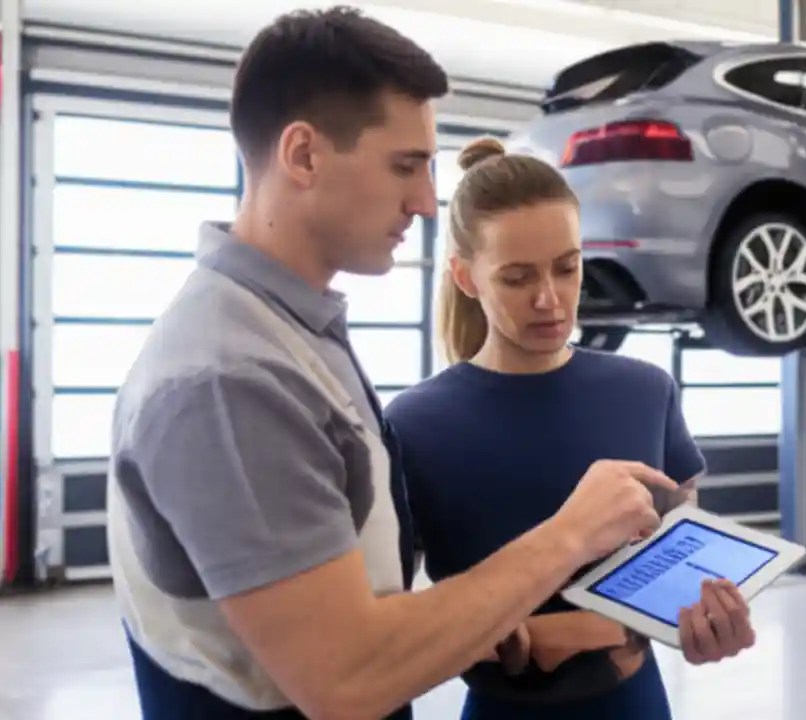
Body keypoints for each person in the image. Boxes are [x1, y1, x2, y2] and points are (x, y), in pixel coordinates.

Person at [105, 7, 680, 719]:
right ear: (304, 155)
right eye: (405, 166)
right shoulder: (230, 378)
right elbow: (345, 678)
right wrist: (569, 536)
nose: (425, 201)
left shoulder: (292, 337)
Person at [383, 137, 759, 720]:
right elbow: (386, 632)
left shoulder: (645, 391)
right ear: (464, 275)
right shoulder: (412, 426)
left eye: (567, 267)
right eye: (515, 277)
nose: (548, 299)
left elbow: (682, 573)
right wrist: (590, 629)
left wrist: (709, 621)